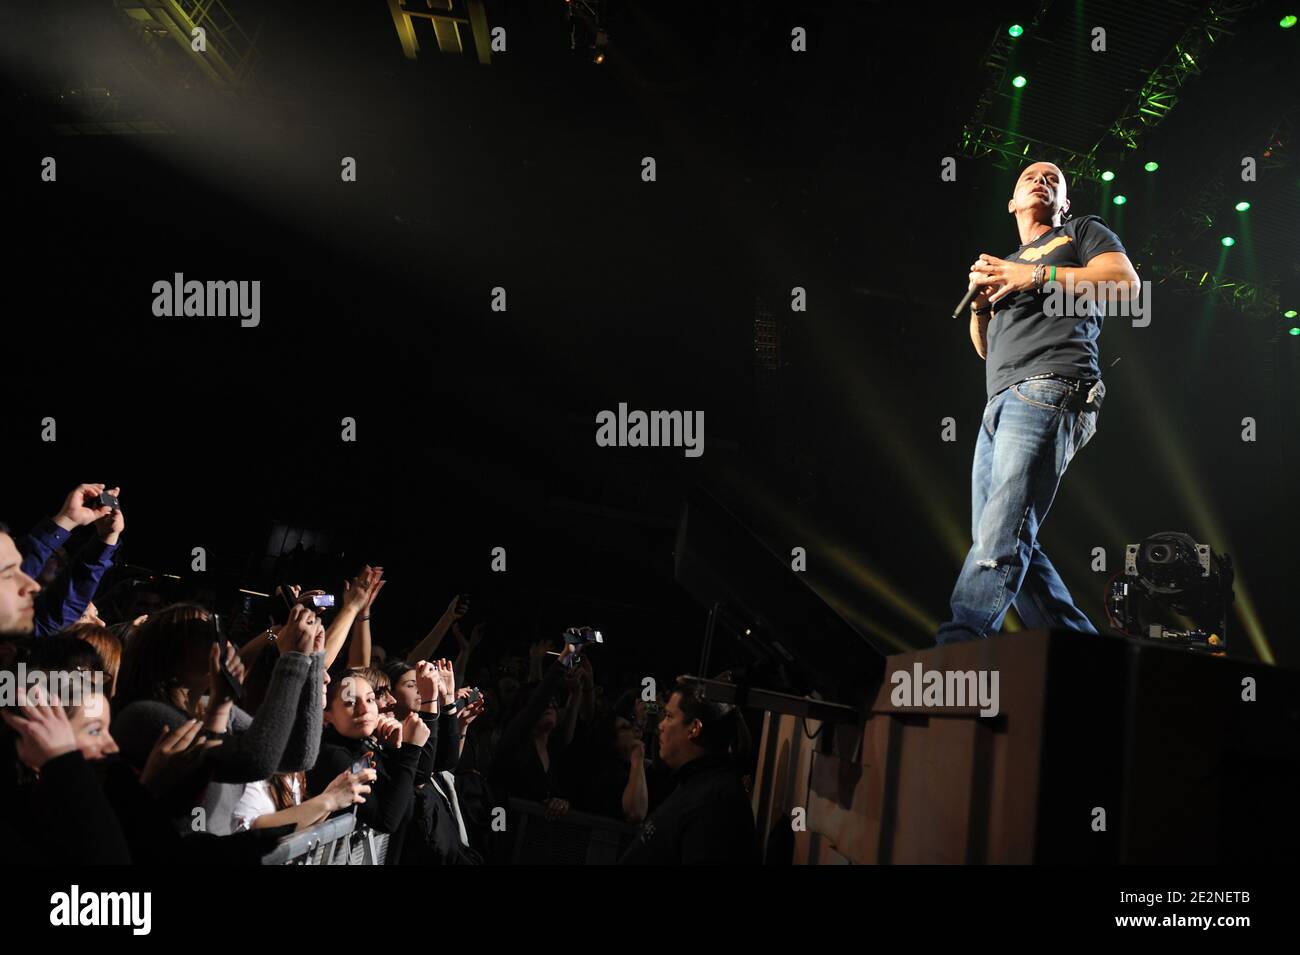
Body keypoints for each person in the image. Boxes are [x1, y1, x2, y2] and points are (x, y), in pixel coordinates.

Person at [938, 160, 1140, 644]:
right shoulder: (1010, 260)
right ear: (1011, 202)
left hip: (1052, 383)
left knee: (1000, 533)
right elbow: (986, 347)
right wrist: (984, 302)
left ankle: (959, 645)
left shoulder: (1079, 233)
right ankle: (1082, 651)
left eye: (1053, 180)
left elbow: (1125, 286)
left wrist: (1032, 276)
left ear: (1064, 203)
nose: (1042, 181)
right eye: (1031, 176)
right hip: (1001, 398)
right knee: (1003, 534)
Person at [619, 678, 756, 865]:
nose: (660, 726)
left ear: (694, 728)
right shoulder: (695, 784)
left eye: (668, 716)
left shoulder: (715, 801)